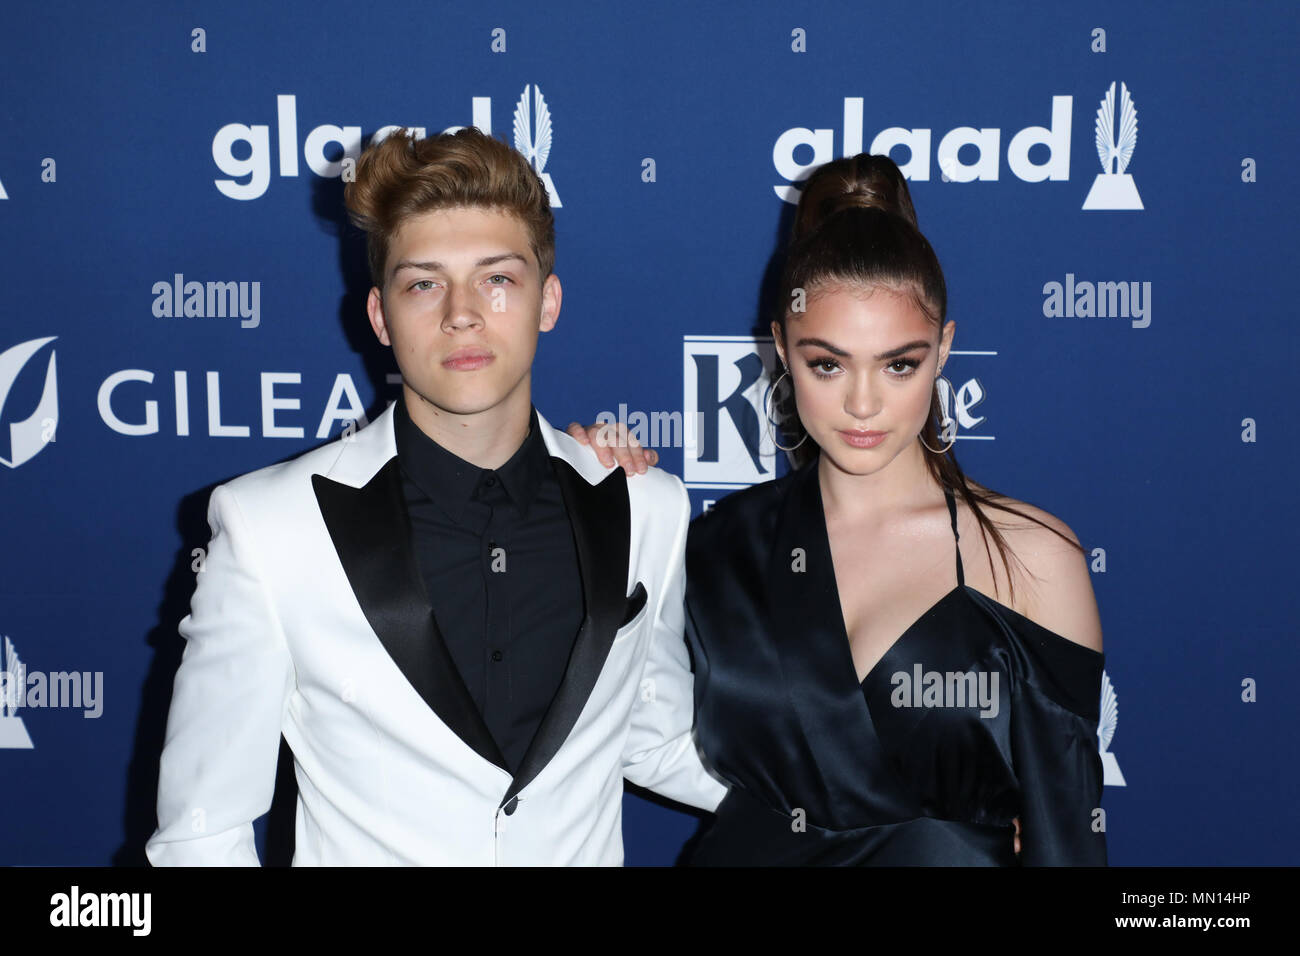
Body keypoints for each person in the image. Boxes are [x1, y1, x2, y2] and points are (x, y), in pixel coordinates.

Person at [145, 126, 727, 866]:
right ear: (380, 316)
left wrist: (849, 799)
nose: (462, 313)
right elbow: (202, 830)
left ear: (547, 301)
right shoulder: (270, 529)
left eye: (497, 279)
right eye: (424, 282)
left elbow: (653, 731)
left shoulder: (648, 510)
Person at [679, 154, 1107, 865]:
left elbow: (1068, 839)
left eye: (898, 363)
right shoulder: (718, 547)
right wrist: (599, 473)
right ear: (781, 349)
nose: (863, 404)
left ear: (943, 349)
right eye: (828, 363)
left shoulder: (1031, 556)